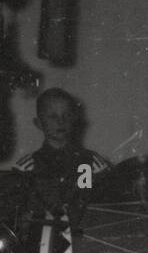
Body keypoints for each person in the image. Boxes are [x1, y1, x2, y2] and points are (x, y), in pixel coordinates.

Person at [11, 88, 110, 217]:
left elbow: (109, 205)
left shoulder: (93, 163)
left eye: (67, 115)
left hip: (84, 234)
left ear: (74, 119)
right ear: (38, 123)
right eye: (53, 116)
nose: (60, 121)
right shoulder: (26, 168)